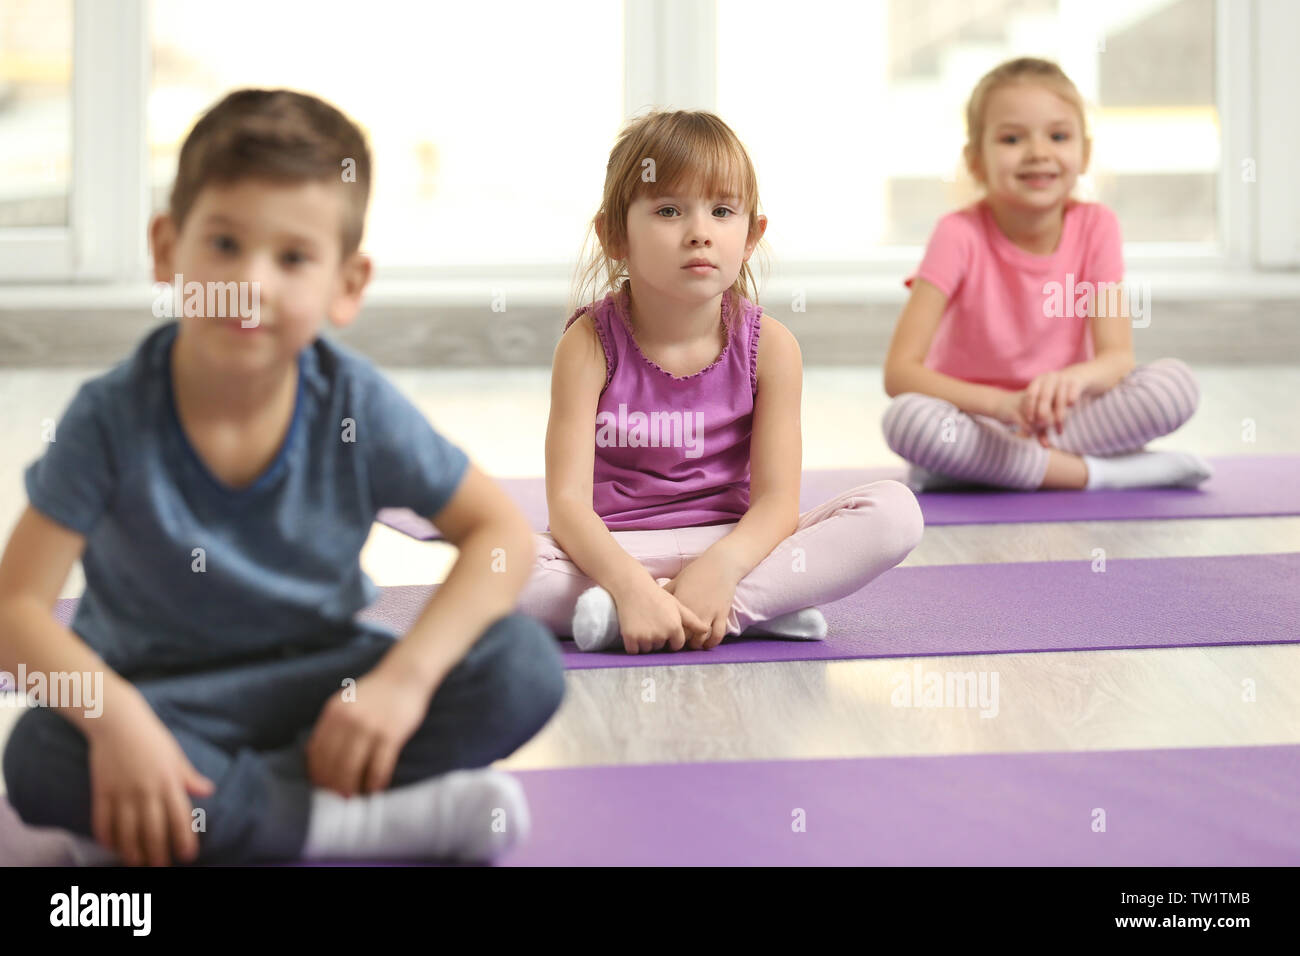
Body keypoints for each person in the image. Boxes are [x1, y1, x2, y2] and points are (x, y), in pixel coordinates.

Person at [0, 89, 564, 865]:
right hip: (161, 704)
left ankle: (189, 825)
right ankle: (341, 830)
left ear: (347, 284)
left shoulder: (353, 402)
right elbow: (15, 610)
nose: (251, 284)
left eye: (292, 258)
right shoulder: (109, 418)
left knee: (522, 667)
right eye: (225, 245)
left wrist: (401, 683)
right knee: (37, 754)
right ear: (167, 249)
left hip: (322, 696)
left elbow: (499, 536)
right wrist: (118, 726)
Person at [518, 109, 923, 654]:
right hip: (615, 551)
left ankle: (679, 610)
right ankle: (735, 608)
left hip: (734, 545)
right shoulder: (587, 345)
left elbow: (777, 503)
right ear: (615, 234)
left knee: (895, 513)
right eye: (668, 210)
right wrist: (628, 582)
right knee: (499, 566)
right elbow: (567, 505)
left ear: (752, 234)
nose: (700, 233)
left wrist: (724, 568)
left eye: (722, 211)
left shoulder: (772, 348)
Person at [882, 57, 1211, 493]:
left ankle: (983, 469)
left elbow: (1117, 358)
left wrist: (1073, 380)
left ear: (1084, 153)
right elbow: (901, 374)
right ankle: (1102, 474)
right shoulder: (956, 234)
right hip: (981, 419)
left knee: (1174, 386)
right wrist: (1002, 405)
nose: (1039, 152)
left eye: (1058, 136)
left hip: (1067, 417)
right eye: (1013, 138)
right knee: (907, 421)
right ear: (976, 159)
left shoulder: (1099, 227)